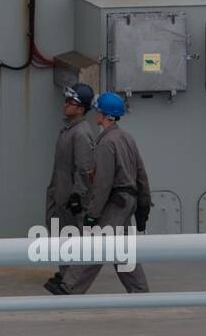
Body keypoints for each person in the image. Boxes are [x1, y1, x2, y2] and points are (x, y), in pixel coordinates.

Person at [49, 92, 151, 295]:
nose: (95, 114)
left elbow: (103, 184)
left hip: (114, 203)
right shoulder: (126, 138)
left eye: (97, 110)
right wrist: (143, 207)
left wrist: (92, 214)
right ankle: (139, 290)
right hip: (127, 202)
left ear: (103, 115)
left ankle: (69, 287)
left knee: (96, 243)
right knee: (120, 249)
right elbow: (141, 174)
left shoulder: (106, 143)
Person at [42, 83, 97, 292]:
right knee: (60, 234)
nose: (65, 105)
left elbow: (84, 169)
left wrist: (77, 196)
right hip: (59, 193)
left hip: (70, 197)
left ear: (81, 108)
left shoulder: (81, 133)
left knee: (70, 237)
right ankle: (64, 273)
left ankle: (70, 280)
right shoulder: (69, 130)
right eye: (66, 101)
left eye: (70, 102)